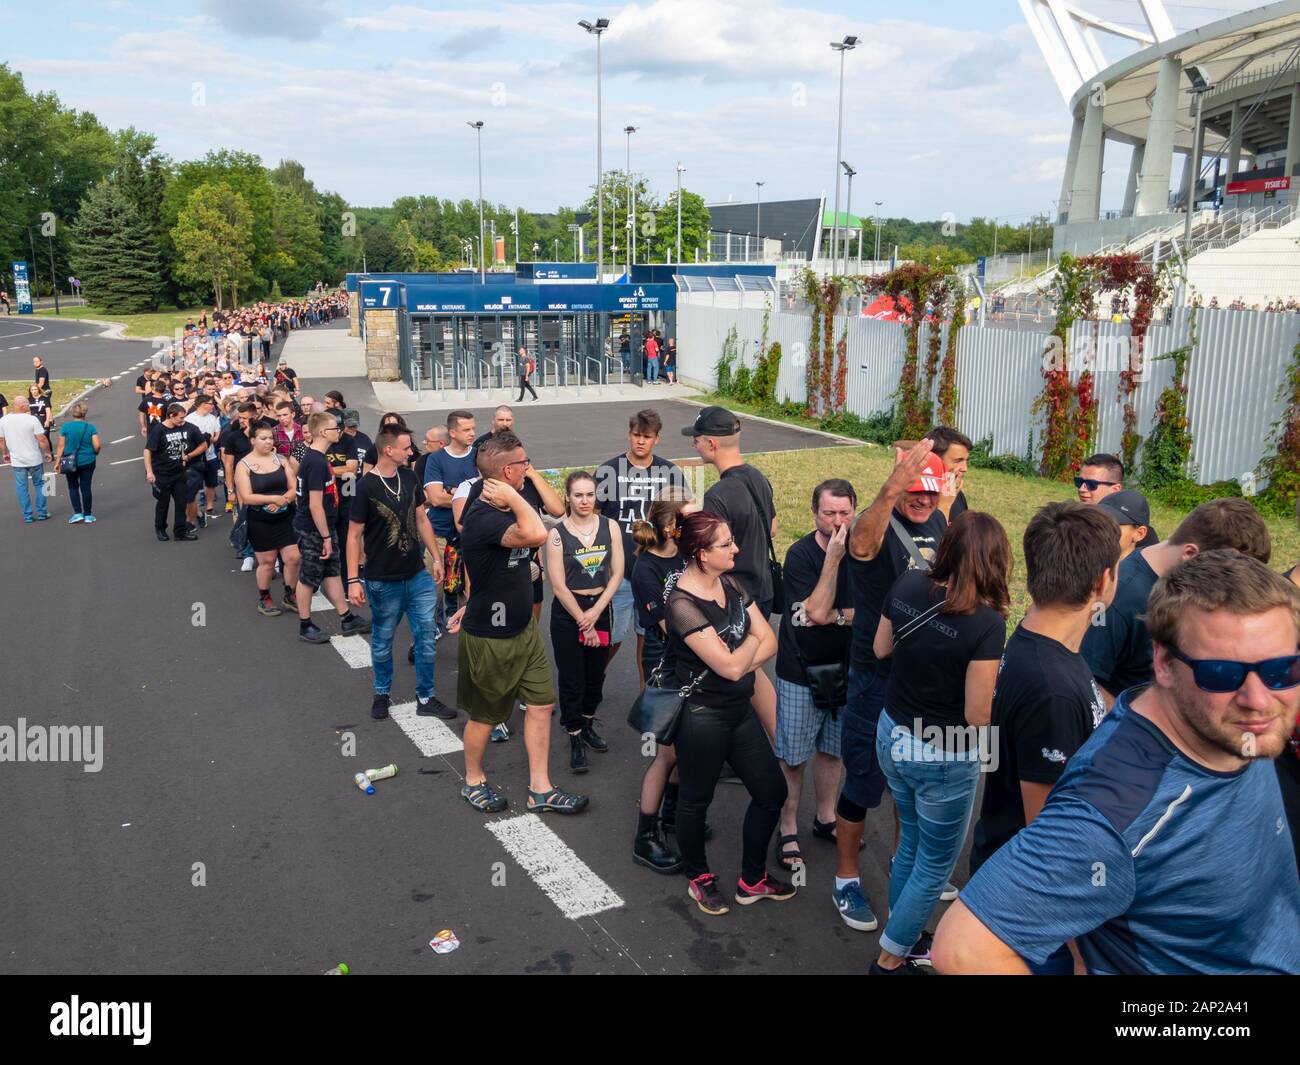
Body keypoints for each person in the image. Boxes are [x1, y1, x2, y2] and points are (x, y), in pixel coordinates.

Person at [935, 550, 1300, 975]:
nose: (1258, 701)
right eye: (1220, 672)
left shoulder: (1224, 724)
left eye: (1282, 669)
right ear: (1164, 663)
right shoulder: (1119, 812)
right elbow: (962, 950)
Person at [962, 502, 1117, 974]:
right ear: (1102, 582)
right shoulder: (1053, 688)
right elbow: (1046, 834)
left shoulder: (1037, 642)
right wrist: (1079, 953)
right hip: (1035, 912)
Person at [869, 512, 1011, 974]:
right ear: (996, 562)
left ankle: (901, 937)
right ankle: (890, 959)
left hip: (893, 731)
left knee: (910, 843)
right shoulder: (986, 623)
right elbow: (976, 714)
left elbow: (880, 649)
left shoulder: (908, 585)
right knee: (935, 864)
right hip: (943, 749)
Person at [832, 442, 946, 933]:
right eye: (913, 491)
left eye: (930, 492)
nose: (921, 501)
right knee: (862, 777)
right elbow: (859, 545)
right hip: (874, 677)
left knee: (913, 784)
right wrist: (894, 484)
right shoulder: (879, 522)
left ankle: (904, 865)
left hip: (922, 679)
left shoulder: (940, 523)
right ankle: (846, 877)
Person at [451, 431, 587, 815]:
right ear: (508, 471)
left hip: (523, 627)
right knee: (487, 715)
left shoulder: (510, 499)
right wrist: (513, 498)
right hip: (491, 635)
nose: (530, 467)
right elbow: (538, 533)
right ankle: (473, 779)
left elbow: (546, 518)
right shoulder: (482, 513)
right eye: (525, 463)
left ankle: (540, 789)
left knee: (542, 704)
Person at [667, 510, 790, 915]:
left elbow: (768, 641)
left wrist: (741, 657)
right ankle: (698, 877)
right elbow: (735, 665)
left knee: (772, 792)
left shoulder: (731, 583)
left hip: (738, 710)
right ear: (701, 554)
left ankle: (751, 879)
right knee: (695, 802)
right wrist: (745, 652)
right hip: (703, 718)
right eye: (725, 544)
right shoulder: (682, 605)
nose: (736, 548)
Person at [1082, 497, 1272, 710]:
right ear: (1190, 554)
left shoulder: (1185, 583)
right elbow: (1088, 685)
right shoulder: (1121, 598)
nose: (1230, 588)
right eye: (1226, 576)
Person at [774, 479, 856, 871]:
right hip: (800, 671)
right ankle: (787, 825)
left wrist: (835, 616)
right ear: (814, 514)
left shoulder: (864, 551)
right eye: (829, 513)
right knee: (793, 756)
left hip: (846, 668)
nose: (838, 521)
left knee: (833, 750)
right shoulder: (802, 555)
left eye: (844, 512)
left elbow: (870, 613)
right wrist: (834, 560)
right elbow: (810, 615)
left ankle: (826, 818)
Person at [347, 425, 453, 721]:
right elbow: (354, 535)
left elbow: (421, 519)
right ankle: (381, 693)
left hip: (417, 575)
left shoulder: (409, 476)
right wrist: (354, 579)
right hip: (382, 579)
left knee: (426, 639)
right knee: (382, 640)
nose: (411, 452)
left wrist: (435, 557)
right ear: (388, 450)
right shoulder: (366, 486)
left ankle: (426, 697)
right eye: (406, 448)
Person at [594, 409, 691, 683]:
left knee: (649, 641)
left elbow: (685, 515)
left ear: (656, 439)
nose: (640, 441)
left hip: (656, 573)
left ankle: (647, 698)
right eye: (636, 435)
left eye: (646, 437)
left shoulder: (669, 472)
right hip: (617, 573)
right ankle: (589, 685)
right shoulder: (609, 470)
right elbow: (592, 517)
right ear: (629, 434)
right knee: (609, 640)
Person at [630, 491, 695, 873]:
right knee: (666, 752)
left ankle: (672, 816)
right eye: (689, 520)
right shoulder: (646, 568)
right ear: (671, 527)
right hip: (667, 659)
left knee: (685, 747)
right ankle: (645, 835)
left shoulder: (685, 555)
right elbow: (670, 627)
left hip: (692, 656)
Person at [545, 471, 623, 774]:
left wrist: (595, 614)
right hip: (570, 613)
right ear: (568, 497)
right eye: (578, 495)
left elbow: (617, 573)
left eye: (589, 494)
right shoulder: (556, 534)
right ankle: (575, 734)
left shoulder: (610, 527)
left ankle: (589, 722)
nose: (585, 501)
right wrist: (583, 621)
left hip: (600, 608)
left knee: (595, 674)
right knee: (572, 676)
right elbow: (558, 586)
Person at [292, 412, 371, 645]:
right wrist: (325, 535)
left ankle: (346, 617)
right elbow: (315, 505)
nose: (339, 430)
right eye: (335, 427)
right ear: (322, 432)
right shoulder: (315, 462)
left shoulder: (319, 458)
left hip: (324, 525)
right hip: (314, 528)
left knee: (332, 570)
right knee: (309, 575)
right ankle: (305, 624)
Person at [235, 424, 301, 617]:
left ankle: (290, 594)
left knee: (293, 558)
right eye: (263, 438)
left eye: (271, 438)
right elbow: (247, 497)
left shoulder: (280, 459)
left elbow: (292, 485)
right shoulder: (244, 465)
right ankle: (265, 599)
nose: (268, 441)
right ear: (253, 440)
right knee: (267, 562)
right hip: (260, 520)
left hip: (285, 516)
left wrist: (285, 499)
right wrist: (274, 499)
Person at [144, 403, 207, 542]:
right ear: (171, 416)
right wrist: (149, 472)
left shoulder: (188, 427)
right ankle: (160, 528)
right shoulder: (159, 430)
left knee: (181, 502)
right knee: (163, 503)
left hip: (179, 473)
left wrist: (190, 455)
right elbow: (148, 450)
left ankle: (180, 532)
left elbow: (203, 444)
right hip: (162, 474)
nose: (182, 421)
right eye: (180, 418)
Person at [1075, 452, 1159, 549]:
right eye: (1079, 482)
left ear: (1115, 489)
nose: (1081, 489)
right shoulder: (1069, 520)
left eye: (1091, 484)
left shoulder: (1138, 535)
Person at [0, 395, 53, 522]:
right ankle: (42, 512)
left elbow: (2, 440)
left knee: (21, 487)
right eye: (27, 404)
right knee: (40, 484)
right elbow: (42, 438)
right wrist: (48, 452)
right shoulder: (32, 419)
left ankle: (27, 515)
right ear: (22, 406)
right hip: (34, 458)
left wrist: (5, 453)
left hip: (17, 460)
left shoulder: (4, 420)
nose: (29, 406)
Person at [184, 394, 222, 529]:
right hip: (195, 459)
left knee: (211, 483)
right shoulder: (189, 419)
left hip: (210, 455)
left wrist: (212, 439)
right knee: (193, 488)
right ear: (203, 404)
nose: (213, 406)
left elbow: (217, 435)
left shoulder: (213, 418)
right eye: (211, 404)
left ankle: (210, 506)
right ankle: (195, 512)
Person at [925, 426, 972, 520]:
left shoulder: (956, 495)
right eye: (958, 461)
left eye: (966, 461)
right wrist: (944, 507)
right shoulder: (918, 499)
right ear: (934, 460)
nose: (965, 468)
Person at [1096, 489, 1151, 563]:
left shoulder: (1141, 573)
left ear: (1139, 534)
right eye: (1097, 521)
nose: (1100, 530)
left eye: (1112, 525)